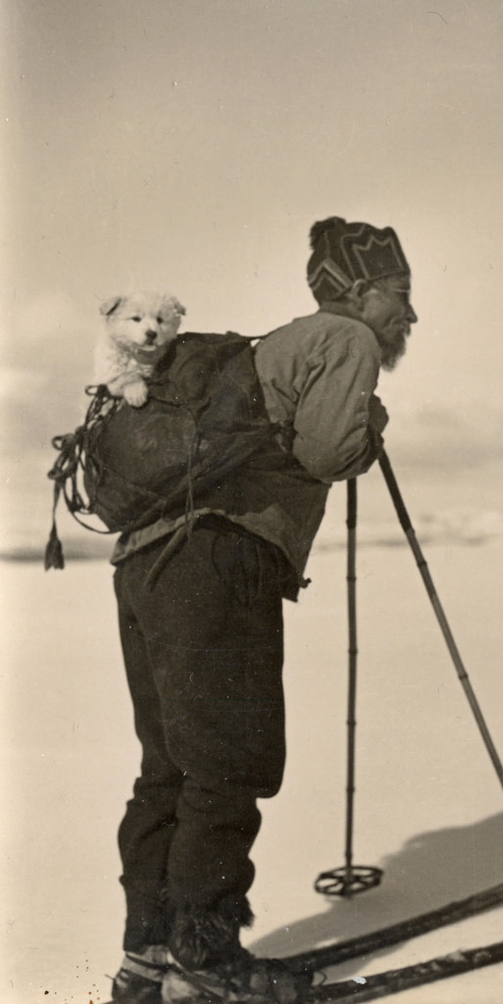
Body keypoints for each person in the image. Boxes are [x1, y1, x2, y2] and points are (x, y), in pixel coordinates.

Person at [110, 216, 418, 1004]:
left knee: (170, 765)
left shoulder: (271, 346)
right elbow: (325, 452)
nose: (409, 317)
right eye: (400, 296)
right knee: (226, 762)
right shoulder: (342, 339)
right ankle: (204, 963)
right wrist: (369, 428)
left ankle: (148, 955)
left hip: (146, 561)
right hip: (219, 561)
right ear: (358, 293)